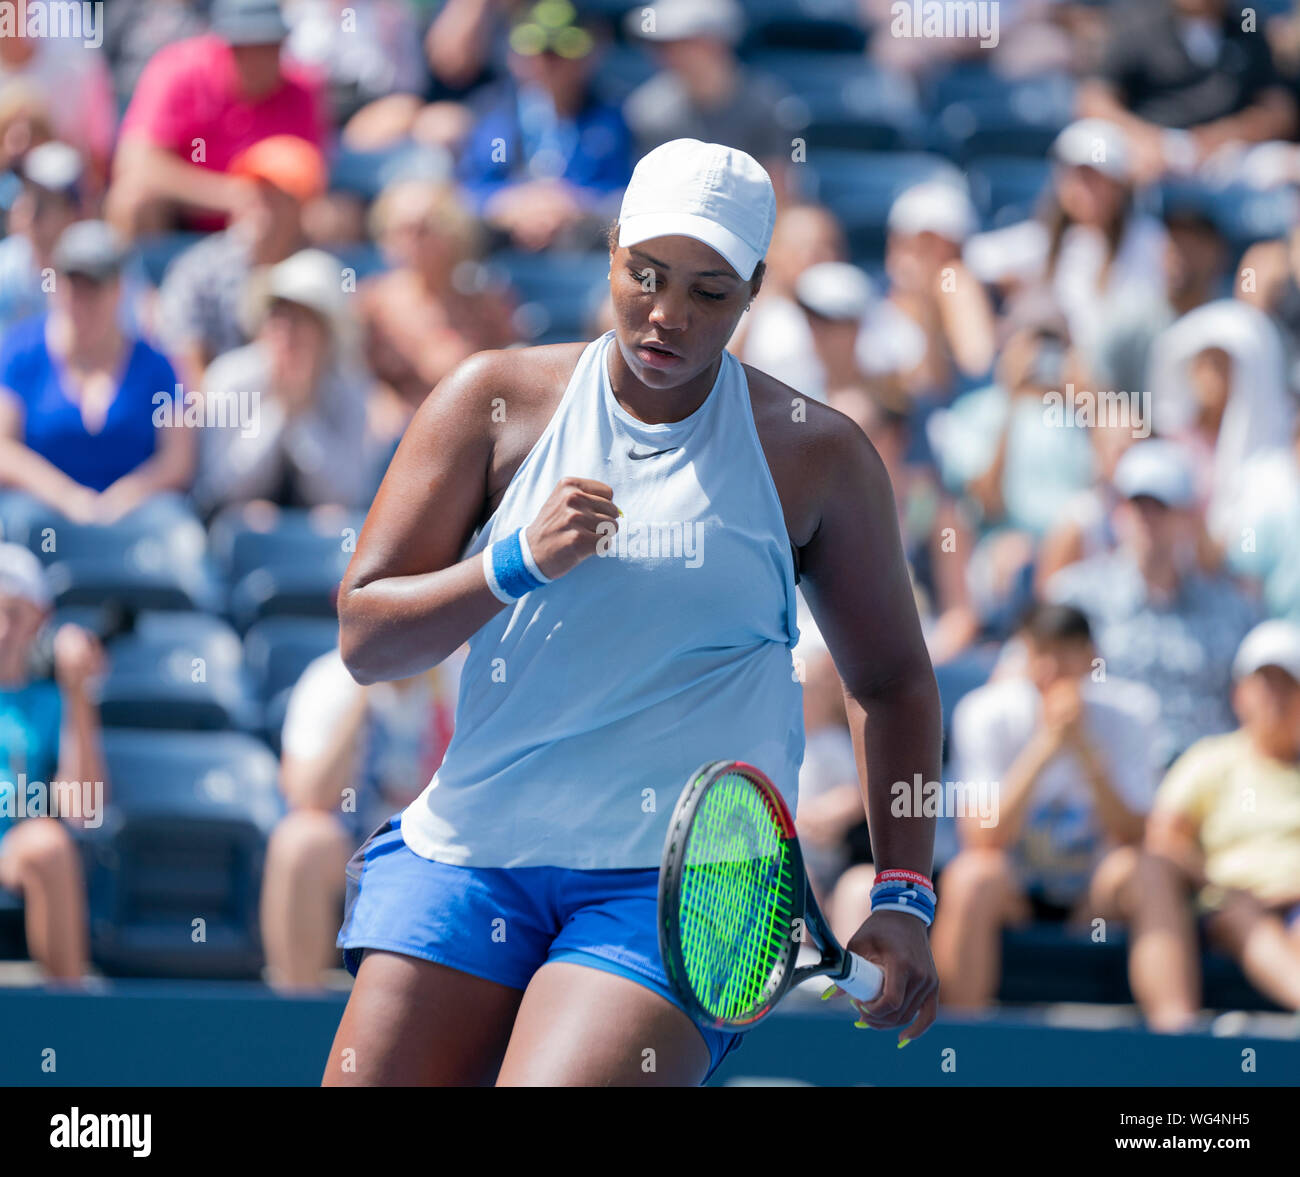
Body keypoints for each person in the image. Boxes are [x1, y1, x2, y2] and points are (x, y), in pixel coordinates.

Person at [325, 139, 942, 1086]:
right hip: (472, 852)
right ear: (610, 248)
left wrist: (904, 892)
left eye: (709, 292)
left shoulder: (819, 457)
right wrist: (513, 562)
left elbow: (893, 682)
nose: (667, 316)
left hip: (683, 891)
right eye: (645, 276)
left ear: (755, 290)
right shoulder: (491, 400)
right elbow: (366, 638)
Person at [933, 603, 1159, 1008]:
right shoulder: (984, 714)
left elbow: (1135, 834)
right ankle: (956, 1044)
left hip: (1095, 898)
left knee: (1149, 872)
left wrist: (1085, 750)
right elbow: (983, 838)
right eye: (1042, 651)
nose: (1053, 667)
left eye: (1067, 650)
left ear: (1092, 656)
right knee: (971, 878)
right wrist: (1046, 745)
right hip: (1014, 895)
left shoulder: (1133, 713)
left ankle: (1175, 1038)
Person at [1047, 439, 1260, 769]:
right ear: (1119, 511)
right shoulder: (1077, 598)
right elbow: (1031, 678)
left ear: (1189, 517)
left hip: (1207, 786)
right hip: (1113, 786)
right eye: (1137, 505)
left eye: (1160, 507)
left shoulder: (1233, 609)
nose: (1147, 518)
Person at [1129, 620, 1300, 1029]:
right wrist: (1219, 884)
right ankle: (1179, 1032)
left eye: (1286, 685)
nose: (1274, 698)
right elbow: (1164, 838)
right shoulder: (1211, 760)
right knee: (1242, 918)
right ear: (1240, 694)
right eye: (1265, 683)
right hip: (1232, 905)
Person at [261, 645, 461, 991]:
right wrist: (363, 695)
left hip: (442, 843)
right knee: (300, 843)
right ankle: (296, 1010)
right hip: (354, 844)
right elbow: (309, 795)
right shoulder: (329, 679)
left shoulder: (463, 675)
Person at [0, 221, 195, 532]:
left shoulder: (156, 365)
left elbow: (177, 459)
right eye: (73, 284)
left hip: (136, 514)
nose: (81, 300)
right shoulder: (20, 351)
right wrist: (67, 497)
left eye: (94, 286)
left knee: (180, 532)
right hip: (38, 510)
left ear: (118, 289)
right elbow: (3, 449)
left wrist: (121, 499)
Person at [107, 0, 326, 238]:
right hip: (180, 216)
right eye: (245, 45)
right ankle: (136, 275)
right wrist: (230, 196)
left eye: (269, 46)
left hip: (265, 222)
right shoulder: (178, 71)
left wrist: (266, 200)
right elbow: (136, 163)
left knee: (330, 218)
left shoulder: (300, 90)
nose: (257, 58)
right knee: (131, 201)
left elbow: (311, 176)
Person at [193, 248, 374, 516]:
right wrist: (278, 412)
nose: (285, 331)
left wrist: (302, 418)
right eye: (278, 316)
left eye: (301, 319)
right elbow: (221, 488)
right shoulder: (229, 378)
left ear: (327, 335)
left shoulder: (350, 386)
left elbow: (350, 493)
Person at [0, 543, 106, 981]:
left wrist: (78, 692)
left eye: (14, 614)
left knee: (48, 844)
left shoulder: (52, 703)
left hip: (12, 849)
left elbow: (83, 810)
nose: (1, 629)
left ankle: (69, 1018)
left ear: (40, 621)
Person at [154, 135, 326, 393]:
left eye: (277, 195)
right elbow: (181, 358)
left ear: (302, 208)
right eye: (255, 189)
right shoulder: (199, 269)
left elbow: (332, 369)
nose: (263, 205)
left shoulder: (321, 274)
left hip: (303, 415)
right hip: (217, 418)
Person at [456, 1, 633, 252]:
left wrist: (573, 203)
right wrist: (511, 202)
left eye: (562, 51)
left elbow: (626, 191)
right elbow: (468, 187)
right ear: (515, 56)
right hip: (502, 240)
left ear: (590, 55)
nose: (549, 63)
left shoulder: (616, 117)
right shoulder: (491, 112)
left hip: (585, 242)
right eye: (537, 50)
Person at [359, 178, 517, 442]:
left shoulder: (484, 306)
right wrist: (376, 397)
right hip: (389, 440)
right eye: (401, 231)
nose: (412, 241)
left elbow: (511, 373)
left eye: (424, 230)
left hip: (466, 436)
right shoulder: (371, 304)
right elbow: (349, 376)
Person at [1078, 0, 1297, 185]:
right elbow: (1094, 99)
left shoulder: (1247, 24)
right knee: (1092, 146)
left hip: (1227, 154)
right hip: (1148, 147)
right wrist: (1143, 139)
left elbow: (1279, 110)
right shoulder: (1136, 21)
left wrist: (1225, 135)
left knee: (1289, 164)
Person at [622, 0, 796, 198]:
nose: (668, 54)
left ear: (716, 43)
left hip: (752, 216)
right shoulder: (646, 110)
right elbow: (650, 192)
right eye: (661, 45)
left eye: (684, 42)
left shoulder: (768, 104)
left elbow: (778, 193)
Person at [0, 142, 83, 336]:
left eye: (46, 200)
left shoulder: (101, 269)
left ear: (73, 210)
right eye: (29, 194)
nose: (34, 210)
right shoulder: (5, 264)